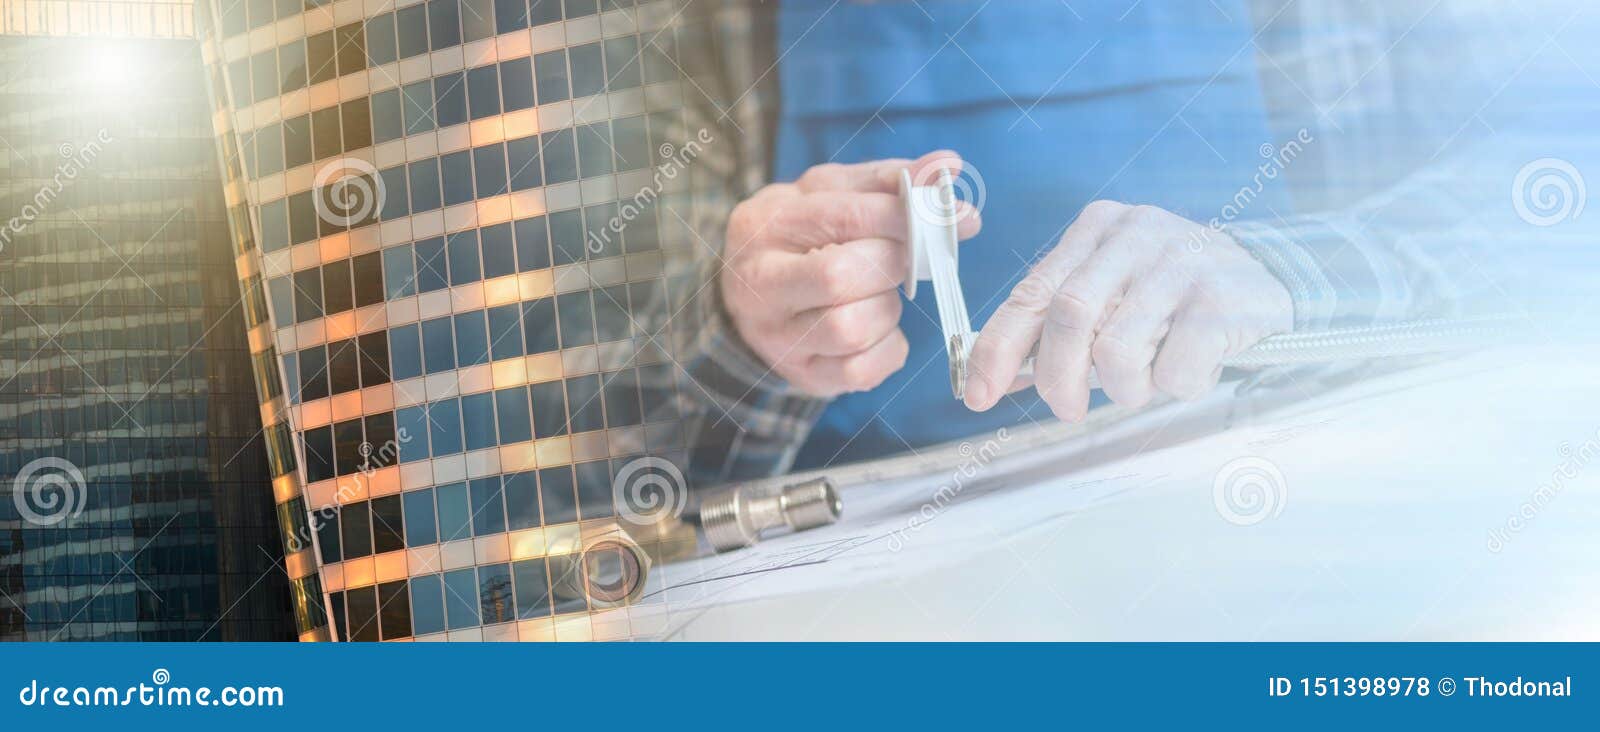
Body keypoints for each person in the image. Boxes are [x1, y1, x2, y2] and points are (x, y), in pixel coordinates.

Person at [657, 0, 1599, 486]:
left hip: (1336, 530)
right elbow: (601, 476)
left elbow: (1565, 173)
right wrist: (742, 334)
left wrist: (1290, 273)